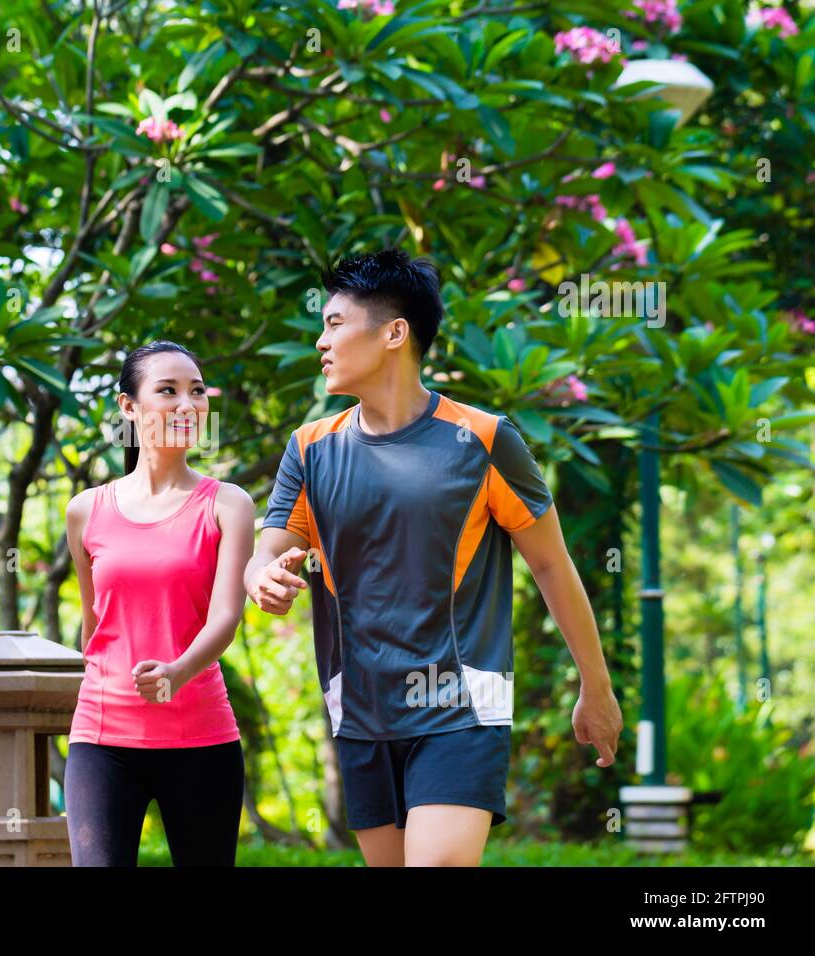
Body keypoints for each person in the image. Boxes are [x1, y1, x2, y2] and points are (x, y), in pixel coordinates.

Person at [244, 248, 624, 866]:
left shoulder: (485, 439)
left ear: (395, 332)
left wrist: (596, 685)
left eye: (335, 324)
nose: (321, 341)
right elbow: (269, 551)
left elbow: (552, 564)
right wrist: (264, 578)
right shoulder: (310, 447)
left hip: (460, 705)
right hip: (360, 708)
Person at [63, 340, 254, 866]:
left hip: (201, 737)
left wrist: (178, 670)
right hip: (103, 737)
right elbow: (94, 625)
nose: (187, 405)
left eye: (197, 392)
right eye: (167, 391)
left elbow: (226, 617)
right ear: (129, 407)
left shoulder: (227, 504)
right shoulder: (85, 511)